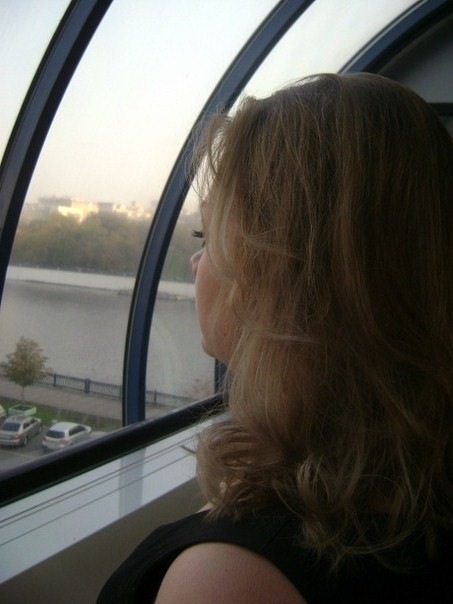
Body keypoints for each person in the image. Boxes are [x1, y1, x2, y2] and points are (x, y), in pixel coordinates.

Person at [98, 73, 453, 603]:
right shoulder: (411, 484)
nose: (195, 263)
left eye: (207, 237)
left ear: (283, 278)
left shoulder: (230, 581)